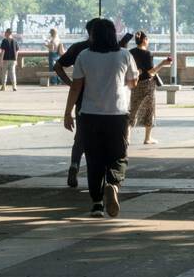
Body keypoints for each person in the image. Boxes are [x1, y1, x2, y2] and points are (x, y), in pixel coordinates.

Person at [64, 18, 138, 218]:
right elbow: (134, 81)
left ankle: (97, 203)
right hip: (117, 114)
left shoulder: (84, 56)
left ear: (93, 36)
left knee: (94, 159)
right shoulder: (124, 55)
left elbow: (76, 87)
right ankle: (113, 184)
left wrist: (67, 112)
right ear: (113, 35)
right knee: (119, 156)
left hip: (89, 116)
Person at [56, 20, 99, 188]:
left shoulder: (78, 48)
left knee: (81, 136)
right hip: (107, 102)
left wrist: (71, 83)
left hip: (82, 98)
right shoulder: (112, 50)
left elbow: (58, 66)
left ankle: (75, 164)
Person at [128, 30, 172, 145]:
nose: (148, 41)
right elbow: (151, 72)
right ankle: (147, 138)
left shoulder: (130, 52)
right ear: (144, 40)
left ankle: (127, 137)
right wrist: (162, 63)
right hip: (147, 85)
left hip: (135, 84)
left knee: (133, 109)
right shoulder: (148, 54)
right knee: (149, 110)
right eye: (147, 39)